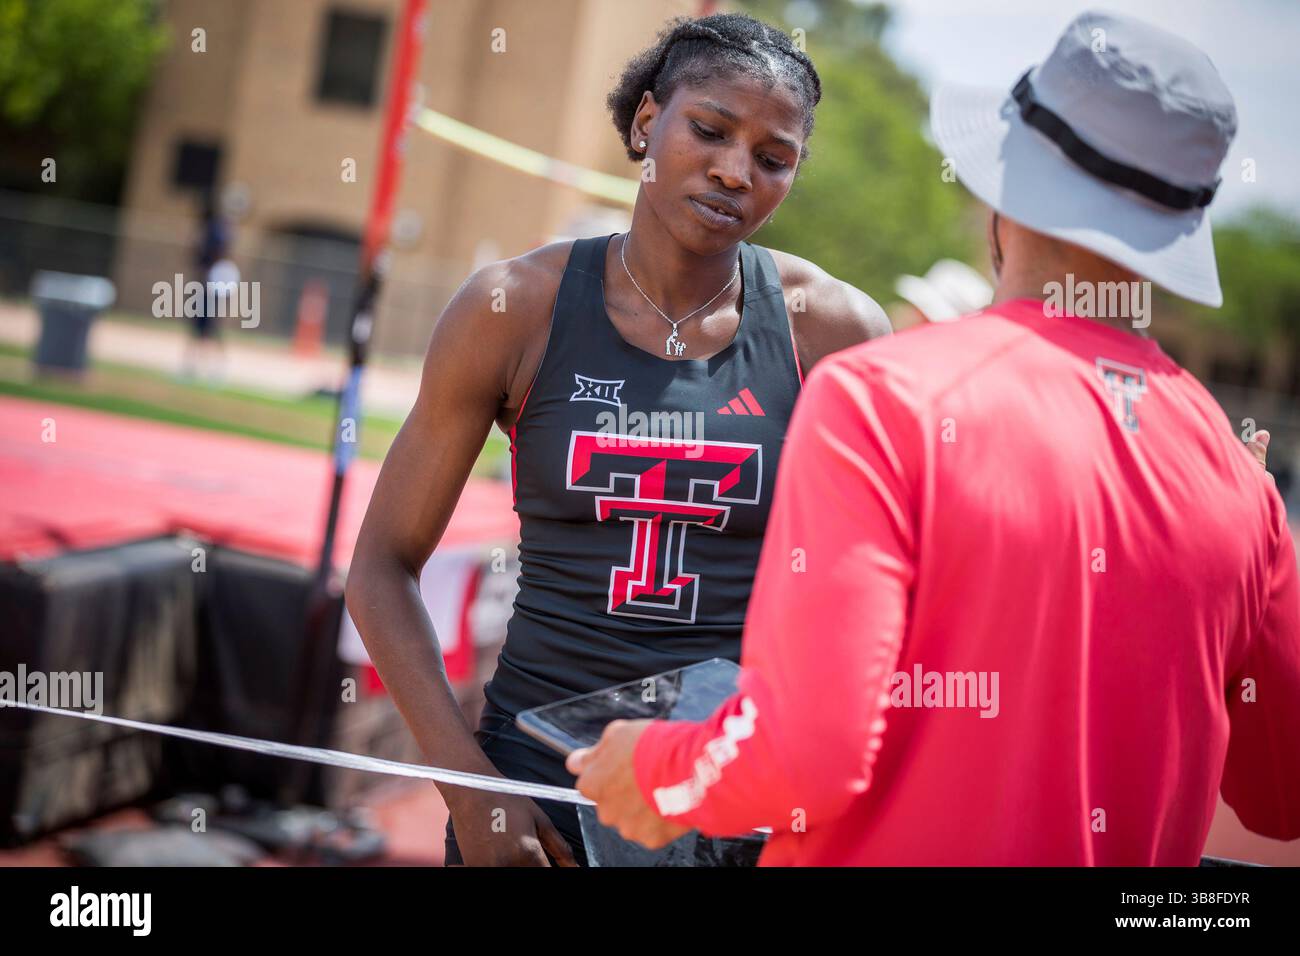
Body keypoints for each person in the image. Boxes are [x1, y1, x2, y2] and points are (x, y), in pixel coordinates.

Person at [570, 10, 1300, 865]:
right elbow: (1281, 792)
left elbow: (805, 752)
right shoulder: (1233, 473)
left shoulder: (886, 401)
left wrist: (653, 769)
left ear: (1005, 192)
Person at [345, 12, 890, 867]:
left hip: (726, 796)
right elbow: (380, 566)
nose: (733, 171)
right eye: (709, 130)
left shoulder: (832, 330)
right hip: (538, 783)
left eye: (773, 158)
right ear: (646, 121)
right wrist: (474, 790)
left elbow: (877, 605)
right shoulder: (513, 307)